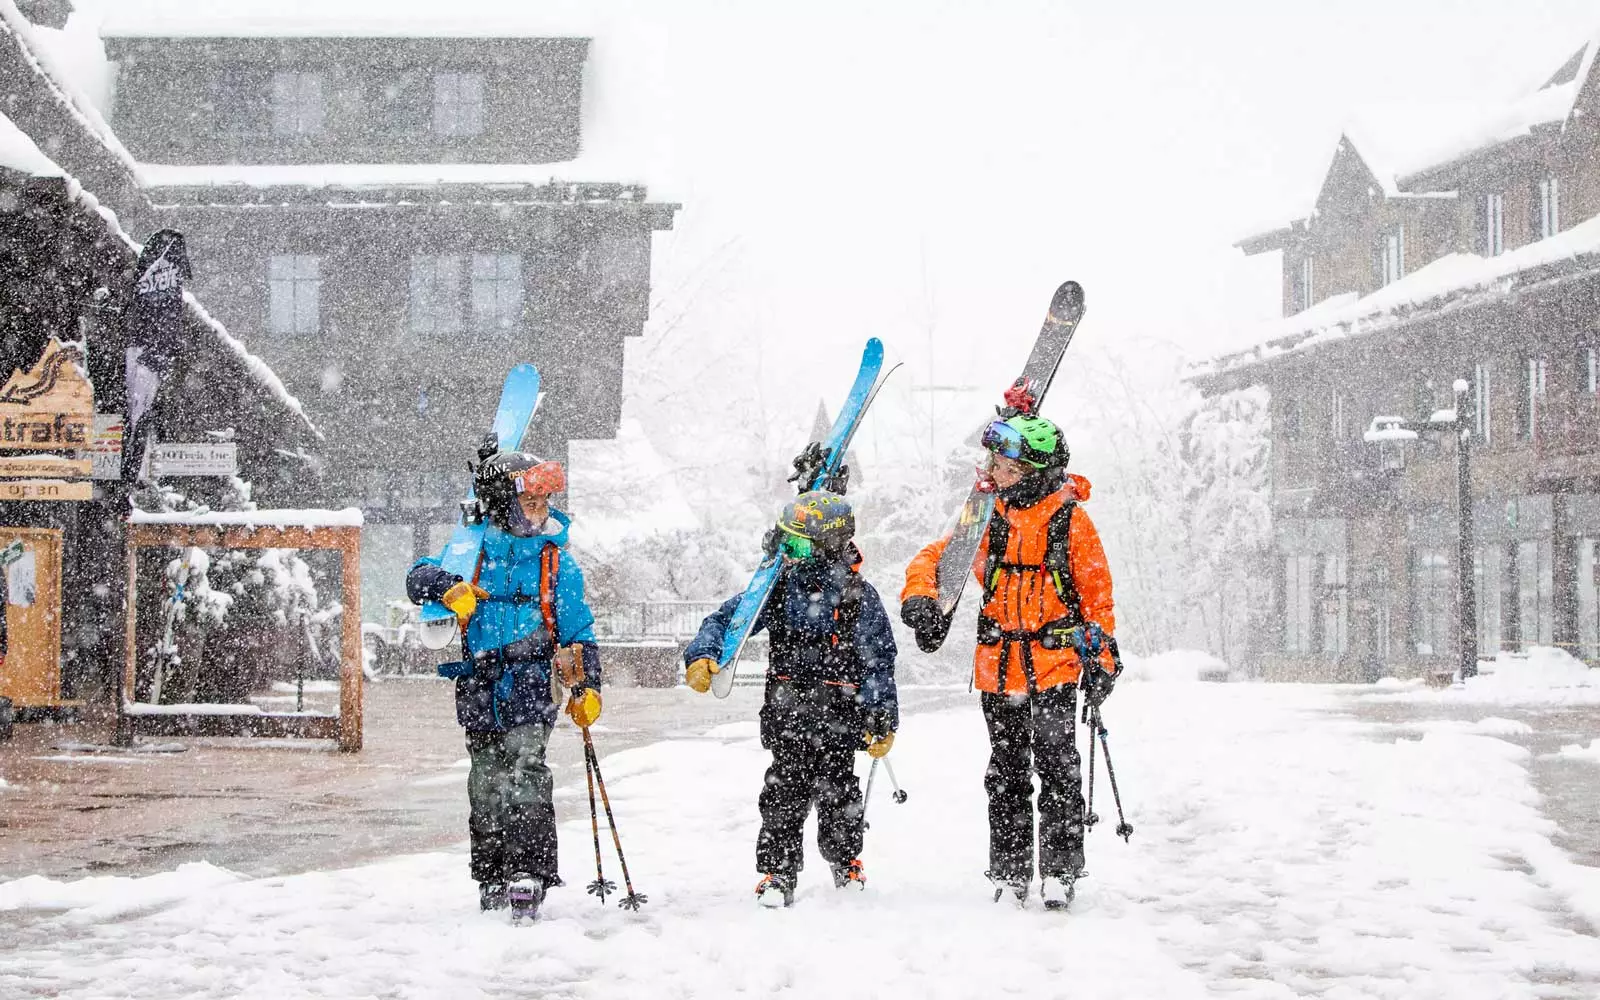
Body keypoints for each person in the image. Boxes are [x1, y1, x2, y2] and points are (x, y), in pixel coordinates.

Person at [899, 414, 1117, 910]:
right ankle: (1010, 871)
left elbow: (1098, 599)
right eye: (994, 463)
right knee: (1006, 772)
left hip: (1055, 666)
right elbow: (935, 556)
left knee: (1059, 768)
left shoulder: (1071, 522)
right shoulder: (985, 516)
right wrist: (920, 596)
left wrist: (1102, 662)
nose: (994, 473)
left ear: (1036, 471)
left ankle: (1060, 871)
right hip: (997, 670)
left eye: (1006, 467)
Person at [406, 450, 601, 919]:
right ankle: (491, 874)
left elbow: (579, 632)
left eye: (544, 504)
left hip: (532, 683)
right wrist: (445, 587)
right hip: (478, 687)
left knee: (527, 771)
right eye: (529, 504)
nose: (540, 513)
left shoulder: (557, 565)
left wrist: (588, 685)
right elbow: (417, 577)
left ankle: (528, 872)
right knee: (486, 782)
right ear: (501, 504)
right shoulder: (469, 557)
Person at [683, 490, 899, 908]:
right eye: (785, 542)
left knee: (840, 793)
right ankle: (778, 871)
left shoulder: (858, 595)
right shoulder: (776, 589)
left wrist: (882, 717)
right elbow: (728, 619)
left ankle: (845, 861)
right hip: (787, 712)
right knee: (783, 793)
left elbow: (879, 659)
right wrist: (705, 653)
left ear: (827, 546)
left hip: (842, 714)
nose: (790, 553)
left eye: (798, 545)